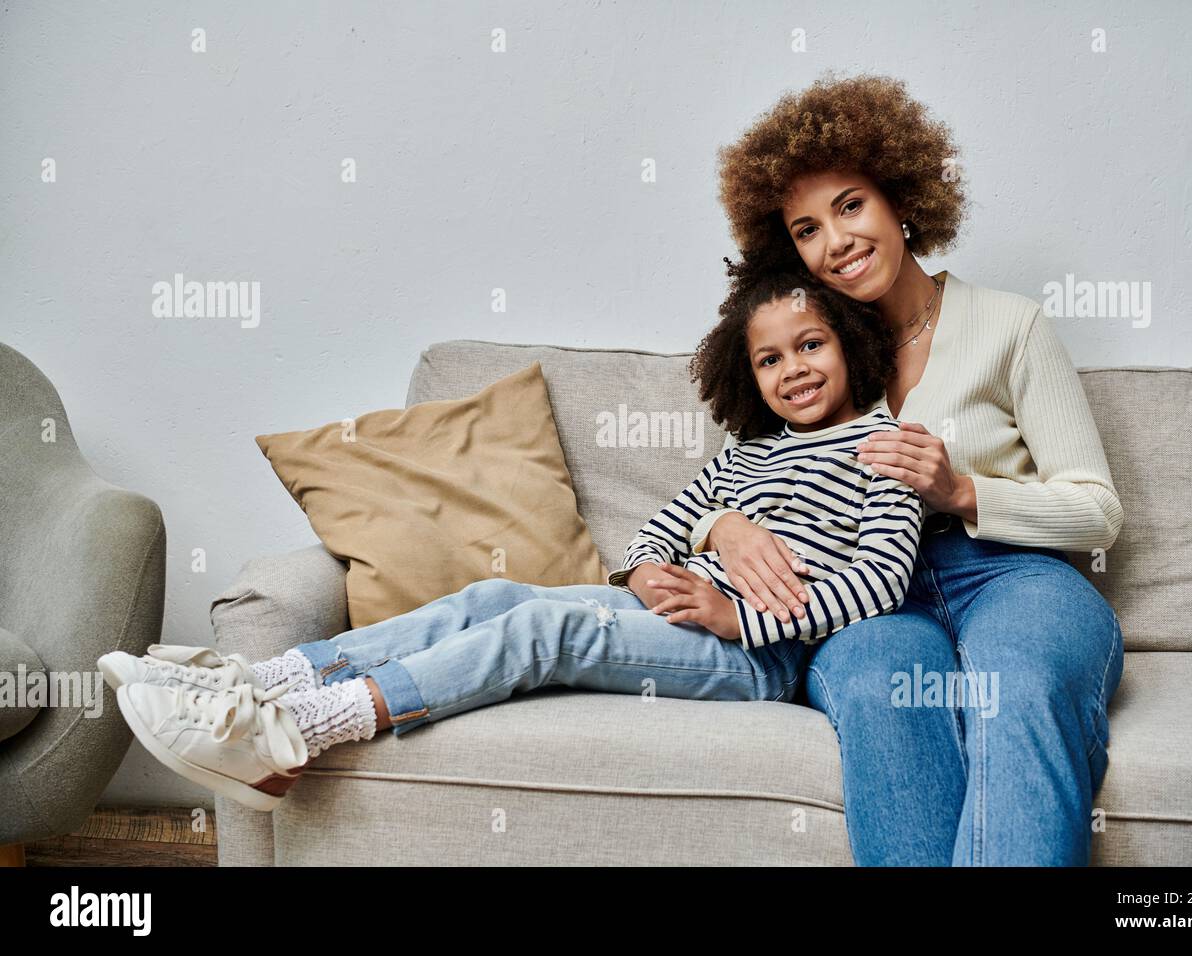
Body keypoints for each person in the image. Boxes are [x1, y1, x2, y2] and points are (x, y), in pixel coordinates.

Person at [99, 264, 923, 814]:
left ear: (851, 343)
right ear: (750, 375)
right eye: (772, 358)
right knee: (492, 596)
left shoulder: (885, 450)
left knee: (541, 629)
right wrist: (648, 580)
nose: (796, 369)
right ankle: (264, 681)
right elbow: (649, 540)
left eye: (811, 345)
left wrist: (733, 617)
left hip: (754, 658)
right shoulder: (744, 457)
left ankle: (295, 736)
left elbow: (882, 581)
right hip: (674, 616)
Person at [692, 71, 1126, 865]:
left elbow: (1098, 510)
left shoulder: (1010, 326)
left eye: (851, 205)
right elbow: (729, 481)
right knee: (879, 690)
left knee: (1019, 685)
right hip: (868, 599)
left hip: (1010, 577)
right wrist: (725, 527)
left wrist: (960, 490)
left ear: (900, 198)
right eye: (806, 229)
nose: (836, 241)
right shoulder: (805, 342)